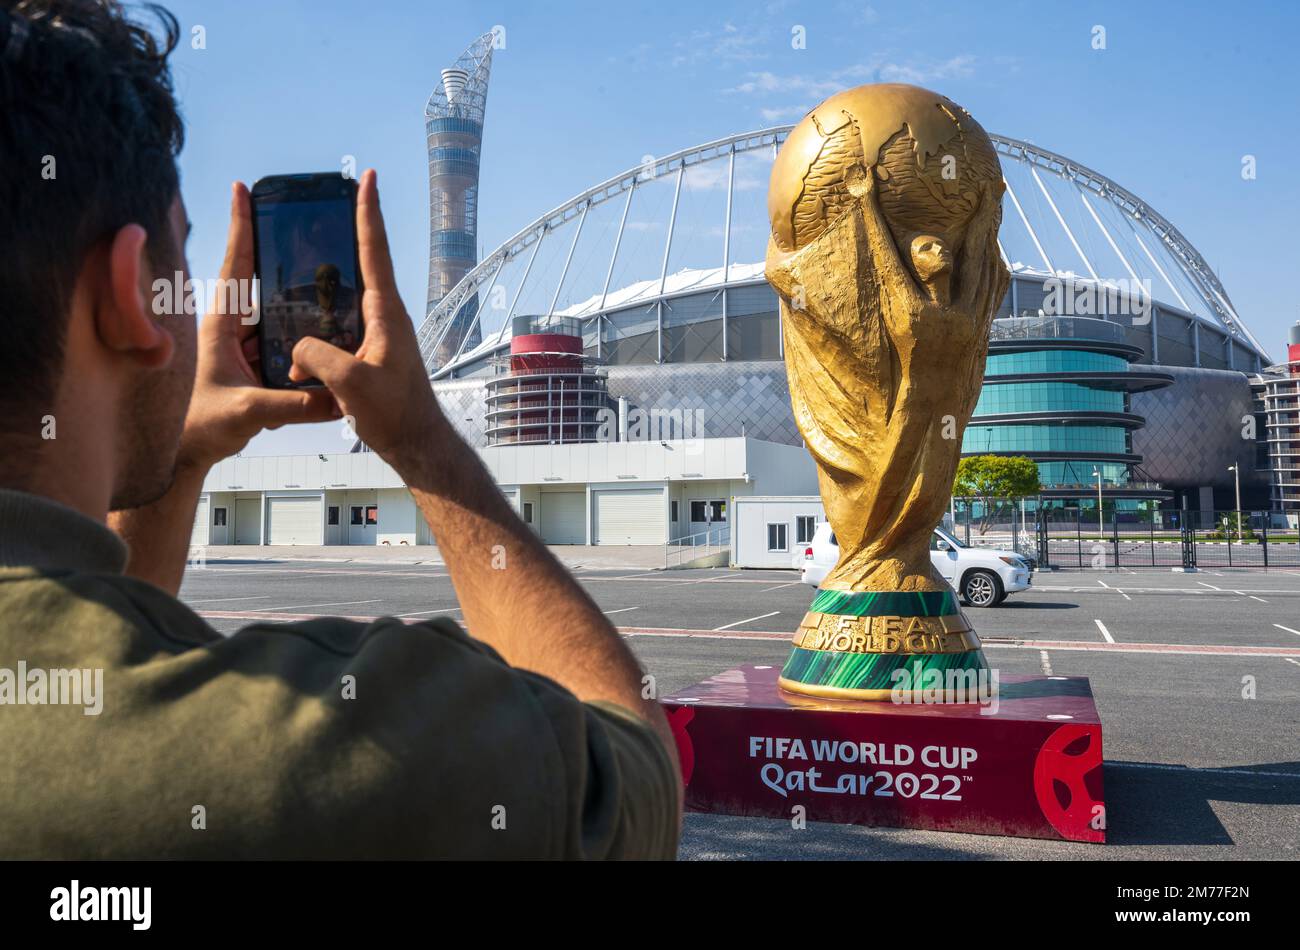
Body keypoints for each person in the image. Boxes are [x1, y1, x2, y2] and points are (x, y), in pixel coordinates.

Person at [0, 0, 681, 858]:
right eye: (183, 252)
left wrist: (183, 448)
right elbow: (632, 789)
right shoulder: (310, 748)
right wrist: (424, 443)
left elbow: (96, 643)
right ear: (132, 293)